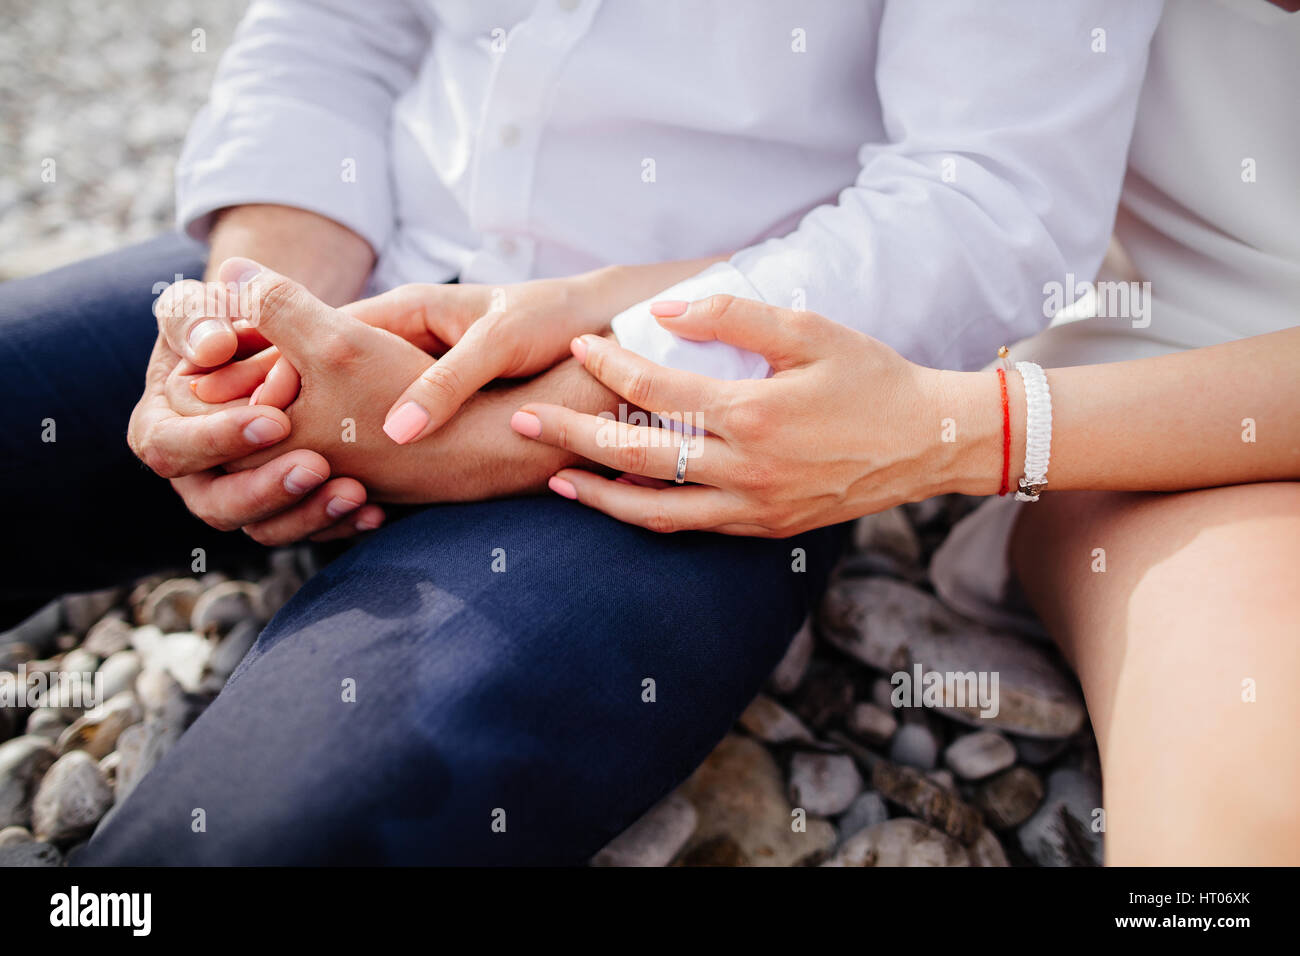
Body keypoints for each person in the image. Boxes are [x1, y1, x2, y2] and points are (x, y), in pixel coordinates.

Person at [0, 1, 1163, 864]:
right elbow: (336, 27)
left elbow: (984, 195)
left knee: (288, 826)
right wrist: (253, 324)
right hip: (371, 260)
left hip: (694, 416)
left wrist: (519, 419)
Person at [510, 0, 1300, 864]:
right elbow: (976, 177)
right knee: (1254, 804)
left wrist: (959, 432)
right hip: (1171, 379)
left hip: (1088, 410)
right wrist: (623, 304)